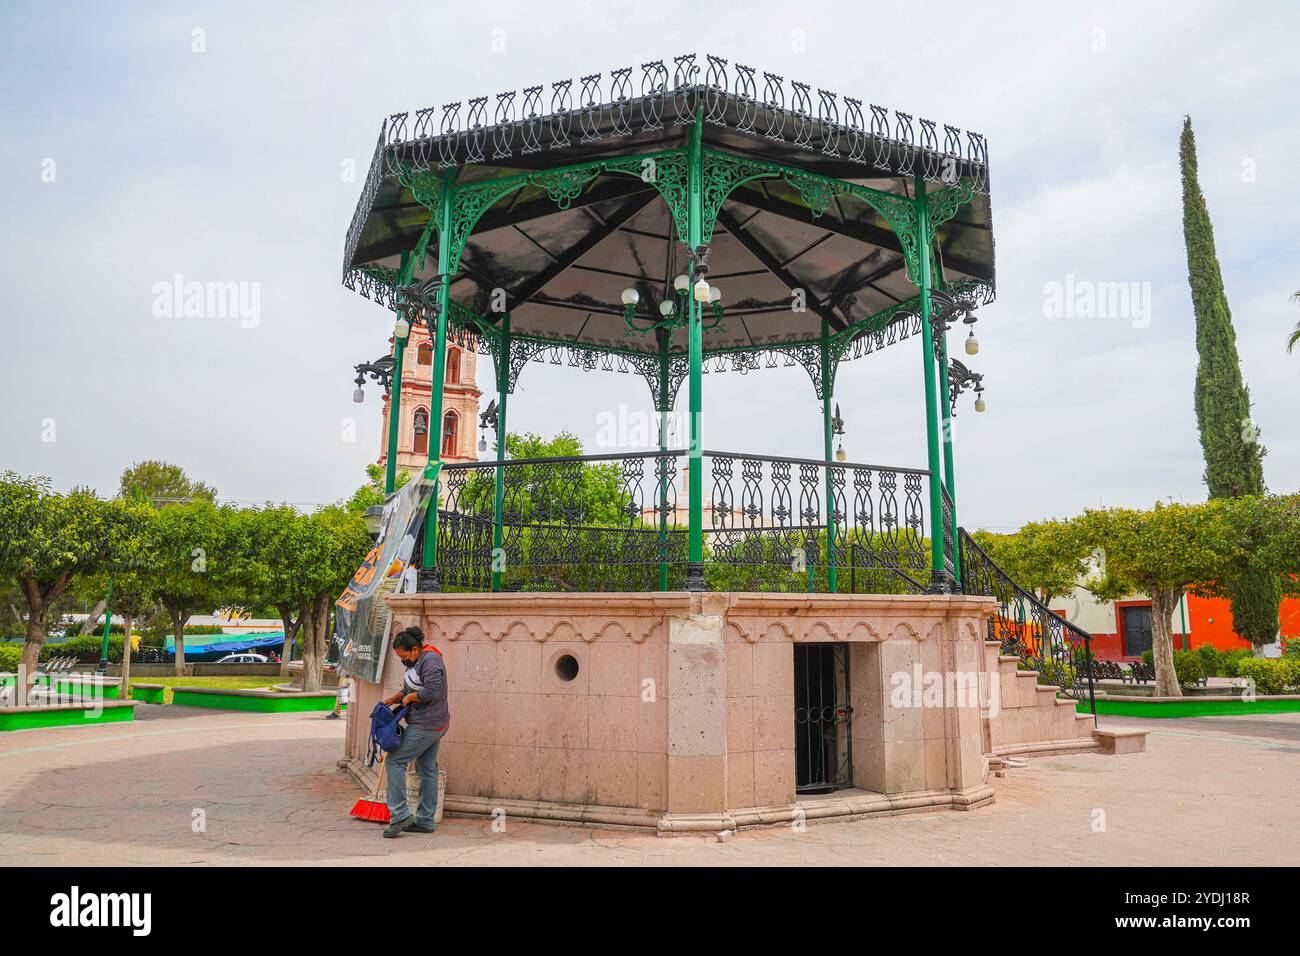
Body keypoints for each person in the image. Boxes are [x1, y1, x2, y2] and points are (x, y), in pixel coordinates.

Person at [380, 625, 450, 838]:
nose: (403, 660)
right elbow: (410, 687)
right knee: (427, 769)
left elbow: (431, 691)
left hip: (427, 725)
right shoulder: (416, 661)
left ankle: (400, 814)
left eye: (404, 656)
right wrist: (395, 697)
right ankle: (425, 821)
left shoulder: (430, 661)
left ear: (415, 649)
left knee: (394, 762)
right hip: (433, 723)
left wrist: (409, 698)